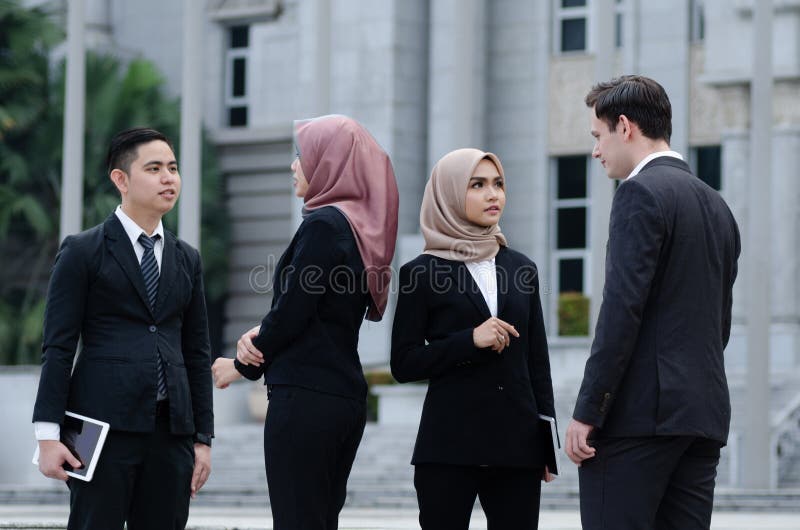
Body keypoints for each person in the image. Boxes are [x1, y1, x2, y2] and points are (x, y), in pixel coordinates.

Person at [564, 75, 741, 530]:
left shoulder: (639, 194)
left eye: (598, 136)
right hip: (700, 418)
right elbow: (718, 322)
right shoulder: (717, 206)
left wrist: (588, 410)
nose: (596, 151)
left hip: (639, 421)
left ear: (625, 127)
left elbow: (621, 312)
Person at [211, 115, 399, 530]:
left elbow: (293, 312)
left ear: (328, 162)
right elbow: (319, 312)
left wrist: (240, 366)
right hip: (342, 398)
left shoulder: (324, 225)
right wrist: (263, 332)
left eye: (302, 155)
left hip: (306, 399)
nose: (293, 165)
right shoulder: (360, 231)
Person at [32, 127, 214, 530]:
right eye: (154, 168)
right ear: (121, 179)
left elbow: (197, 352)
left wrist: (203, 438)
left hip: (171, 433)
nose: (168, 178)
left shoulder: (187, 258)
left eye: (173, 168)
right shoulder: (82, 251)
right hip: (94, 427)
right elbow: (58, 347)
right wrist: (47, 436)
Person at [390, 148, 556, 530]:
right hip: (449, 446)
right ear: (448, 194)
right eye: (477, 185)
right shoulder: (420, 272)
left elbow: (537, 360)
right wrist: (469, 340)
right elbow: (403, 362)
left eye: (498, 184)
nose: (493, 194)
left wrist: (545, 443)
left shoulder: (522, 268)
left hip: (517, 448)